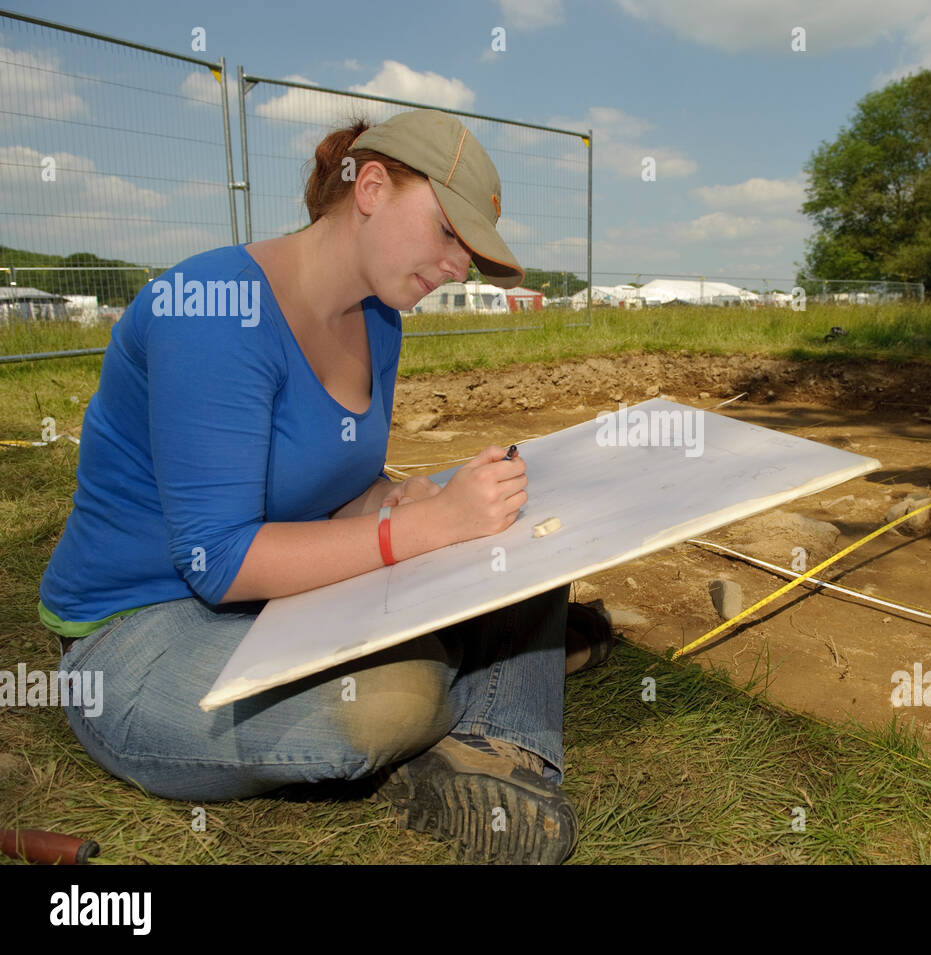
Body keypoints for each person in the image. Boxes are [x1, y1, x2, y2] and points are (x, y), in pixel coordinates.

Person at [37, 108, 611, 865]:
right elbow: (219, 560)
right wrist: (425, 529)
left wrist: (398, 500)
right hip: (142, 631)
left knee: (513, 506)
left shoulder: (378, 318)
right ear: (370, 186)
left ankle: (495, 742)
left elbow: (340, 482)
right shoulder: (214, 308)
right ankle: (498, 670)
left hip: (277, 603)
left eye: (468, 251)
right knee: (393, 702)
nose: (456, 267)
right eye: (447, 232)